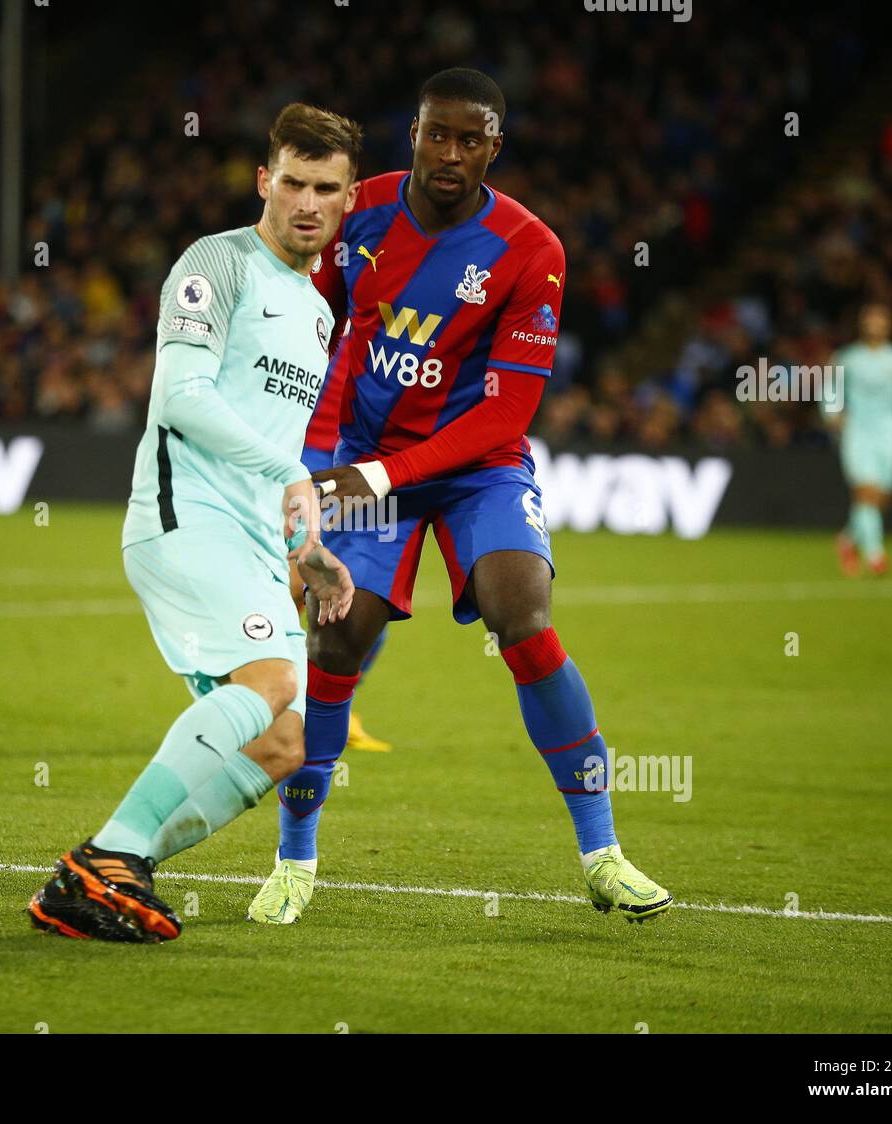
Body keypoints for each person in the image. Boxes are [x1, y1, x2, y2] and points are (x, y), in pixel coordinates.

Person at [247, 69, 672, 926]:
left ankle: (603, 853)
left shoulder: (531, 249)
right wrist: (311, 472)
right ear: (413, 131)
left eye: (469, 139)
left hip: (476, 467)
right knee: (337, 639)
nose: (450, 154)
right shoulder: (351, 212)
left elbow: (505, 414)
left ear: (493, 146)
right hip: (365, 459)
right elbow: (308, 340)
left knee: (526, 616)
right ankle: (295, 859)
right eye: (436, 135)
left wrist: (371, 477)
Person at [28, 103, 361, 942]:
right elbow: (179, 395)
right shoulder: (218, 263)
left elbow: (274, 446)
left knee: (288, 742)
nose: (307, 202)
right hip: (182, 516)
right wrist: (292, 475)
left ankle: (104, 873)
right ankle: (109, 857)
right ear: (265, 182)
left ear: (349, 199)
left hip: (249, 541)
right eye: (293, 182)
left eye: (327, 188)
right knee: (276, 685)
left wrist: (304, 550)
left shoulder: (320, 314)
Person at [828, 302, 892, 577]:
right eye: (870, 318)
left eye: (880, 319)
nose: (875, 324)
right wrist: (834, 414)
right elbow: (830, 392)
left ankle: (847, 541)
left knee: (881, 498)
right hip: (858, 430)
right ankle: (875, 555)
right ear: (862, 323)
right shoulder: (846, 358)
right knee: (865, 492)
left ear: (888, 325)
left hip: (890, 432)